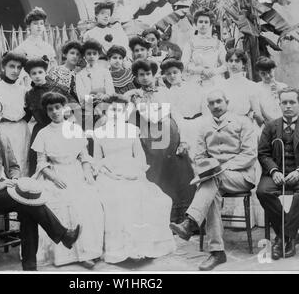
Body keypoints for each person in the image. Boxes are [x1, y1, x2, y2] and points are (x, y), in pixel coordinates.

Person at [0, 98, 80, 271]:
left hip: (7, 191)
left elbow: (14, 167)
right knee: (27, 201)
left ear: (1, 115)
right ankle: (62, 235)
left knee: (28, 208)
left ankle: (30, 267)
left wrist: (15, 180)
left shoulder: (3, 136)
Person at [170, 89, 258, 271]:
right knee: (211, 191)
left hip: (241, 175)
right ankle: (217, 251)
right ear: (207, 106)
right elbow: (200, 156)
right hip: (215, 178)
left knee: (211, 180)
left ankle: (190, 222)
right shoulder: (204, 126)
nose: (216, 106)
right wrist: (210, 167)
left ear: (227, 102)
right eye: (211, 103)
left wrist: (221, 167)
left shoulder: (243, 122)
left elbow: (249, 154)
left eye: (219, 101)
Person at [93, 94, 175, 263]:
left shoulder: (132, 130)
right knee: (116, 198)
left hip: (131, 173)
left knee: (145, 197)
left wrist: (135, 173)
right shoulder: (99, 133)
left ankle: (139, 247)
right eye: (113, 110)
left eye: (121, 111)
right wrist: (110, 174)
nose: (117, 114)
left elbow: (139, 157)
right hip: (108, 175)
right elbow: (97, 160)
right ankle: (121, 249)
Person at [31, 92, 104, 268]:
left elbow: (84, 156)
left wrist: (87, 172)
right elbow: (41, 163)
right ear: (46, 112)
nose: (55, 112)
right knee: (62, 202)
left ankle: (88, 252)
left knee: (88, 201)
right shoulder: (43, 133)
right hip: (55, 174)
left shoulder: (75, 129)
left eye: (58, 107)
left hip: (76, 171)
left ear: (64, 108)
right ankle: (68, 255)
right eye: (50, 109)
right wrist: (54, 177)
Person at [124, 59, 195, 223]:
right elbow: (128, 118)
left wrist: (183, 140)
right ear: (136, 77)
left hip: (167, 135)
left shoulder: (162, 92)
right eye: (141, 75)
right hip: (146, 139)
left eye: (148, 73)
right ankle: (157, 220)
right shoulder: (133, 94)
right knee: (154, 175)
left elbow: (163, 116)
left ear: (154, 74)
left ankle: (183, 219)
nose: (145, 77)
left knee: (175, 173)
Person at [256, 87, 299, 260]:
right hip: (278, 172)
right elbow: (263, 153)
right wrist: (274, 170)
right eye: (284, 102)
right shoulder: (270, 127)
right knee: (263, 191)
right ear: (279, 104)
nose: (288, 106)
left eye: (292, 102)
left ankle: (283, 238)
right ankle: (291, 235)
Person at [0, 51, 31, 176]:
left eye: (19, 67)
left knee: (22, 162)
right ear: (3, 67)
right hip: (2, 130)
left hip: (21, 130)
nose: (15, 70)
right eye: (11, 66)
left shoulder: (24, 91)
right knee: (5, 164)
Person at [163, 58, 203, 162]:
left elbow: (204, 105)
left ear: (181, 72)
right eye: (168, 74)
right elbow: (177, 116)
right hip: (186, 126)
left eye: (175, 72)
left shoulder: (194, 85)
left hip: (202, 122)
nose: (172, 76)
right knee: (193, 156)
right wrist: (184, 137)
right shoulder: (169, 94)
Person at [181, 8, 227, 87]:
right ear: (196, 24)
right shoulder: (190, 43)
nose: (203, 24)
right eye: (200, 22)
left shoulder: (218, 43)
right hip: (195, 80)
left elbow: (226, 64)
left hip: (214, 80)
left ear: (210, 24)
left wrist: (213, 71)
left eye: (206, 22)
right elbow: (184, 64)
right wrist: (201, 70)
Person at [75, 39, 115, 131]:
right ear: (84, 55)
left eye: (94, 53)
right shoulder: (80, 74)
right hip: (88, 106)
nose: (91, 56)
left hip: (105, 104)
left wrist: (104, 96)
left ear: (99, 55)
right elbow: (81, 94)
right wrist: (91, 97)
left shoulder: (105, 72)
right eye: (89, 54)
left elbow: (110, 90)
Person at [14, 7, 57, 87]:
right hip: (29, 83)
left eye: (41, 24)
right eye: (35, 23)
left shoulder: (48, 47)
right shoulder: (22, 47)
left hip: (46, 83)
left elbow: (53, 69)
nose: (39, 26)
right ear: (29, 26)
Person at [221, 48, 264, 126]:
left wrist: (253, 116)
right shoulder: (221, 85)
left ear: (243, 64)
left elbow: (258, 115)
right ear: (227, 63)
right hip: (226, 126)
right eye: (230, 61)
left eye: (237, 61)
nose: (233, 64)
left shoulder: (251, 86)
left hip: (245, 126)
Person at [254, 56, 288, 124]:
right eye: (263, 73)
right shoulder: (256, 88)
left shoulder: (283, 86)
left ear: (274, 69)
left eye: (269, 72)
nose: (267, 76)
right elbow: (258, 109)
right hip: (266, 124)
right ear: (258, 73)